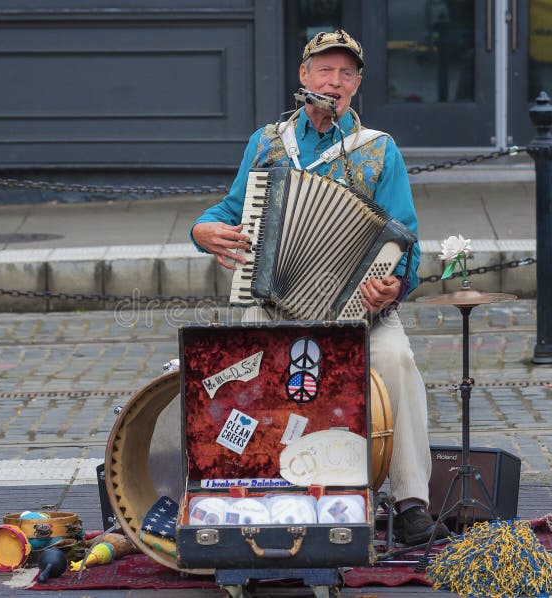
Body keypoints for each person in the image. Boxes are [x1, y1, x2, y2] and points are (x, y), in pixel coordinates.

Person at [190, 29, 448, 546]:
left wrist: (392, 287)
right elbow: (228, 211)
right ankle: (253, 485)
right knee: (244, 354)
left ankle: (411, 500)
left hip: (360, 311)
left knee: (396, 360)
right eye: (324, 71)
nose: (334, 82)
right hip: (275, 301)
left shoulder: (378, 151)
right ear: (304, 77)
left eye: (346, 73)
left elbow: (407, 244)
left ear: (357, 85)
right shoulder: (268, 143)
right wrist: (202, 231)